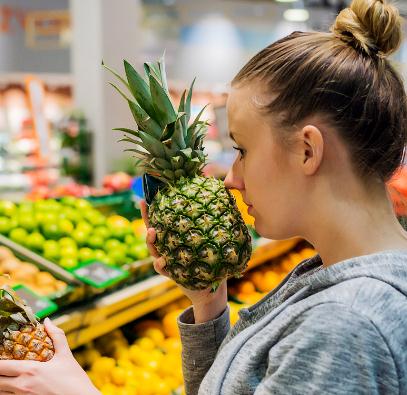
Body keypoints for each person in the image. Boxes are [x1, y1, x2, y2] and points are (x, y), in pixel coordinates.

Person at [0, 0, 406, 393]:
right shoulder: (341, 280)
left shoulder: (344, 325)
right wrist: (208, 300)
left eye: (243, 151)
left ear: (307, 150)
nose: (231, 179)